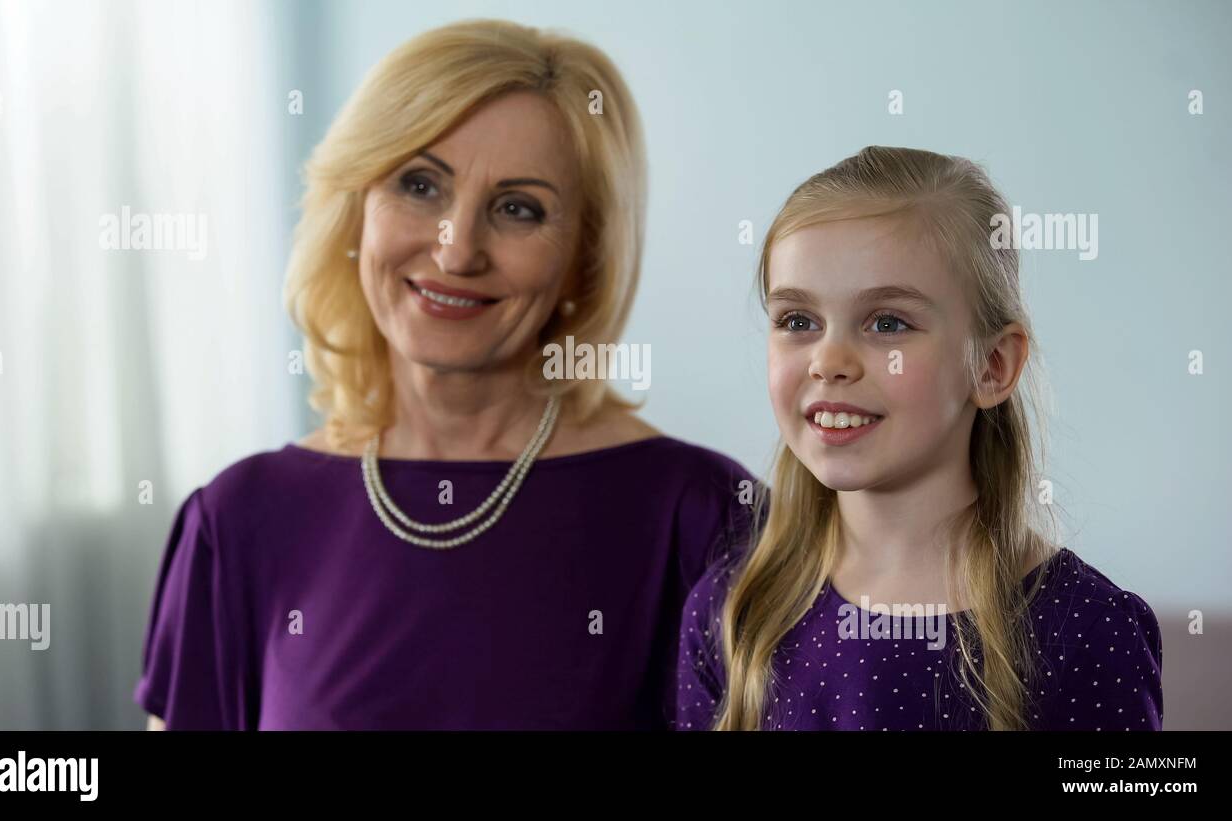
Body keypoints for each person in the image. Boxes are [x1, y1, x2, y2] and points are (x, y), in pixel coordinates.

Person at [134, 18, 752, 730]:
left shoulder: (704, 520)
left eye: (518, 208)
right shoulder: (238, 519)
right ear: (355, 209)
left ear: (584, 259)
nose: (457, 251)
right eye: (419, 184)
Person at [677, 146, 1161, 731]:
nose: (829, 361)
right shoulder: (731, 609)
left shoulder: (1087, 630)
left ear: (991, 367)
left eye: (888, 323)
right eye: (798, 321)